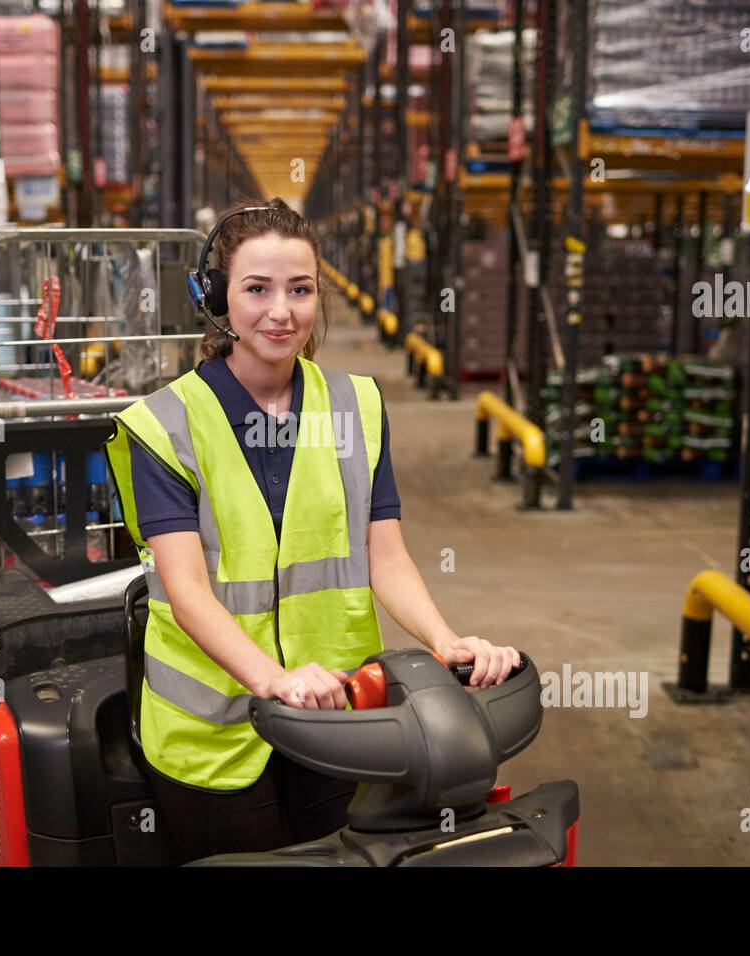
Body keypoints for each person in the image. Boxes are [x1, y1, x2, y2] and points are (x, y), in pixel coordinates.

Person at [105, 197, 520, 862]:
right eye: (257, 289)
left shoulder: (355, 405)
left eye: (300, 290)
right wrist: (273, 680)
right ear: (216, 296)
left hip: (339, 718)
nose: (281, 312)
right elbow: (187, 595)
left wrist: (449, 643)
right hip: (212, 734)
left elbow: (385, 557)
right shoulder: (166, 426)